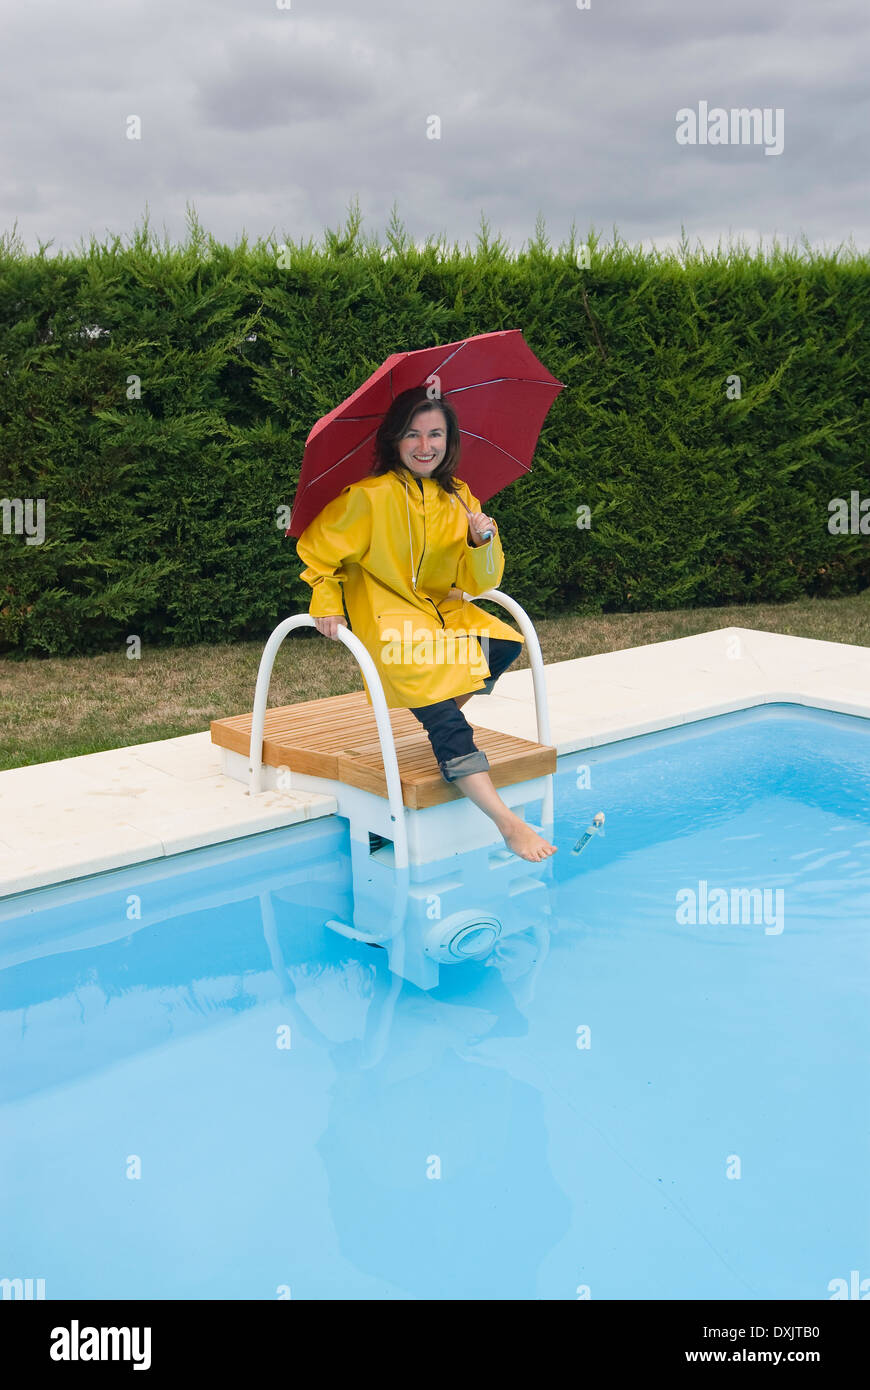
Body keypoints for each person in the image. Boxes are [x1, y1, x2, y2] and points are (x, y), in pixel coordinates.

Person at [295, 385, 557, 863]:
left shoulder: (458, 497)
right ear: (394, 440)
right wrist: (326, 599)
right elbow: (318, 551)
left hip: (442, 613)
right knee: (442, 708)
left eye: (435, 434)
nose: (424, 446)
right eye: (412, 434)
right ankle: (508, 823)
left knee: (502, 645)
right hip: (391, 624)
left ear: (449, 439)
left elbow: (478, 581)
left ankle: (438, 719)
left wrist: (481, 541)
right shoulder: (367, 498)